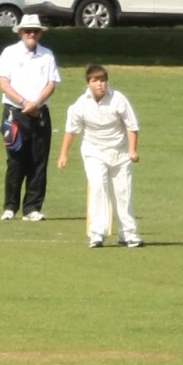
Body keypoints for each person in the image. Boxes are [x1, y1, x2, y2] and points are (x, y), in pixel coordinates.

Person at [57, 63, 141, 248]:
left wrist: (132, 150)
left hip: (120, 152)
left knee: (123, 193)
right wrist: (63, 154)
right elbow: (71, 130)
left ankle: (128, 234)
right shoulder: (80, 104)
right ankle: (96, 234)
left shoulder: (118, 99)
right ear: (88, 83)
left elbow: (132, 126)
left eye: (102, 80)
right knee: (98, 188)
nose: (100, 84)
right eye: (95, 80)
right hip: (94, 151)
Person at [0, 13, 59, 221]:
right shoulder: (10, 53)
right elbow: (3, 83)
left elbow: (51, 84)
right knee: (15, 160)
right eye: (28, 31)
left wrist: (35, 104)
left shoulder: (47, 55)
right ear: (20, 32)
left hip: (39, 113)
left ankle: (32, 208)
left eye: (35, 31)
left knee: (38, 161)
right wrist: (23, 103)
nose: (32, 34)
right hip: (14, 113)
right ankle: (10, 206)